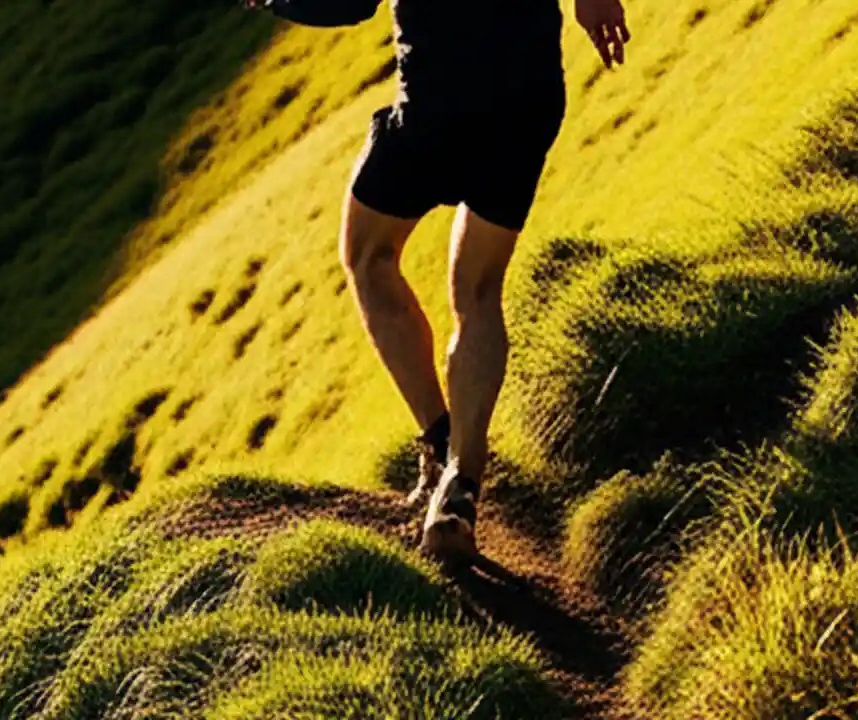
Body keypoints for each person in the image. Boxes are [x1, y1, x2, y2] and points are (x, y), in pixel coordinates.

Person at [256, 0, 630, 564]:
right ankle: (461, 479)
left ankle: (438, 442)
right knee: (477, 291)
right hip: (527, 96)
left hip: (440, 103)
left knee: (368, 254)